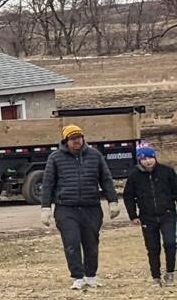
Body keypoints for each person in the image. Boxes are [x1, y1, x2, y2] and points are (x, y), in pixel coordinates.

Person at [39, 123, 121, 290]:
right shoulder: (55, 158)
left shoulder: (95, 155)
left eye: (79, 137)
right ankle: (77, 277)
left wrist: (112, 201)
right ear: (66, 141)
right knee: (72, 241)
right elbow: (48, 184)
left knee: (91, 242)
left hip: (91, 207)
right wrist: (45, 208)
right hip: (66, 208)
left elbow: (105, 179)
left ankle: (91, 275)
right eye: (72, 138)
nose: (76, 141)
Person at [121, 142, 177, 288]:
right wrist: (133, 215)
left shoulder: (167, 171)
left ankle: (170, 272)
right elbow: (128, 196)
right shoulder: (134, 176)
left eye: (150, 157)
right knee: (153, 247)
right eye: (144, 158)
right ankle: (156, 276)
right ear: (139, 160)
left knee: (170, 243)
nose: (148, 161)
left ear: (154, 157)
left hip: (167, 214)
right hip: (147, 216)